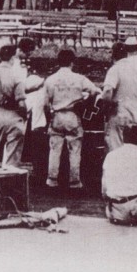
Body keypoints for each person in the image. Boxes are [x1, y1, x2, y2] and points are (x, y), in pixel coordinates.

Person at [43, 49, 99, 189]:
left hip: (57, 114)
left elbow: (44, 103)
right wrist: (85, 102)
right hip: (73, 114)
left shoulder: (50, 79)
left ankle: (52, 180)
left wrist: (49, 115)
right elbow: (95, 91)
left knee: (55, 149)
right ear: (72, 62)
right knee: (75, 149)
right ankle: (74, 181)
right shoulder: (79, 78)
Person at [100, 40, 137, 150]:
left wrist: (106, 106)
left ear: (113, 55)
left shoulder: (115, 69)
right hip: (136, 117)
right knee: (133, 153)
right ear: (126, 54)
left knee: (115, 152)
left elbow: (107, 91)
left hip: (119, 115)